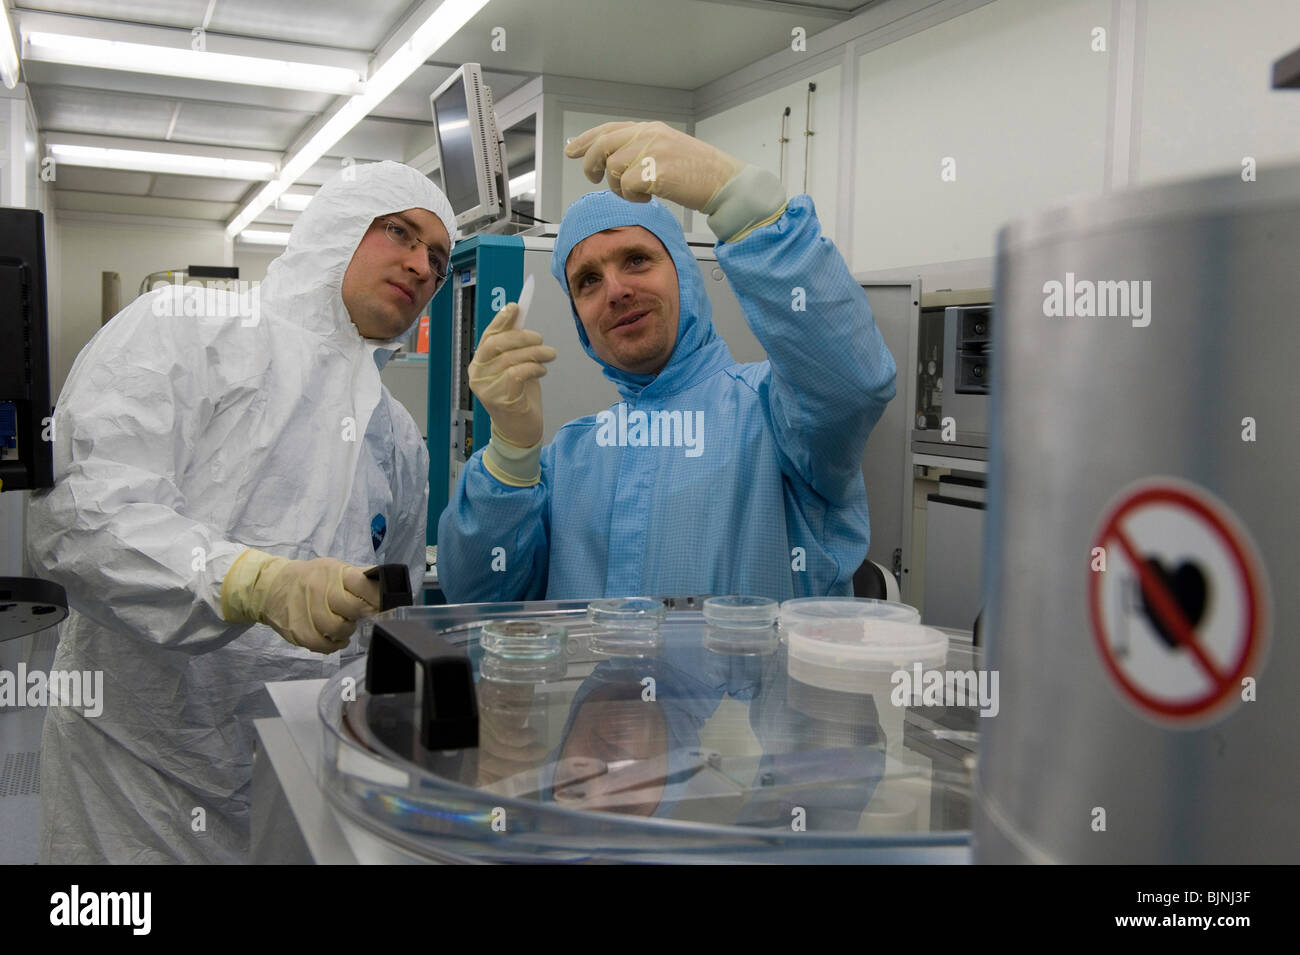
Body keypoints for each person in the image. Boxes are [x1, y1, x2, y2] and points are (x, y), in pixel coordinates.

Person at [26, 161, 454, 864]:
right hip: (136, 774)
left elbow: (386, 619)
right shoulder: (185, 333)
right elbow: (78, 517)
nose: (420, 265)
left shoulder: (396, 437)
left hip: (295, 772)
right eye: (399, 233)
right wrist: (254, 581)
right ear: (337, 229)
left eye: (437, 260)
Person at [438, 122, 896, 601]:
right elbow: (478, 597)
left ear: (685, 276)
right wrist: (510, 451)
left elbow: (851, 383)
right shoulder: (567, 460)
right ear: (579, 319)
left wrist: (742, 201)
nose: (616, 291)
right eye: (588, 281)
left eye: (636, 259)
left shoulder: (777, 418)